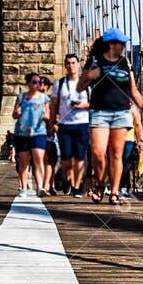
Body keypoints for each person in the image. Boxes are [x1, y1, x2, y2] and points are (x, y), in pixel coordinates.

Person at [78, 27, 143, 207]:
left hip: (121, 111)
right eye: (120, 43)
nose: (123, 46)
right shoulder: (94, 61)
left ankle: (113, 192)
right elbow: (80, 86)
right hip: (99, 111)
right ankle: (100, 183)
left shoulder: (125, 63)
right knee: (98, 152)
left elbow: (133, 90)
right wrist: (89, 76)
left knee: (116, 153)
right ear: (110, 44)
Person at [49, 53, 91, 195]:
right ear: (65, 65)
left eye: (73, 63)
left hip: (82, 124)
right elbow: (54, 105)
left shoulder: (87, 84)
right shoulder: (59, 84)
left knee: (79, 157)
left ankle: (76, 186)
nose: (71, 66)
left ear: (78, 64)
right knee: (66, 158)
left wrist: (85, 105)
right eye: (68, 63)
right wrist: (51, 123)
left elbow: (95, 104)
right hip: (65, 125)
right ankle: (67, 179)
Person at [11, 74, 50, 193]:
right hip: (22, 133)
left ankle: (40, 187)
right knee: (24, 162)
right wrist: (17, 112)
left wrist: (44, 115)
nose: (37, 84)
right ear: (28, 83)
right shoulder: (21, 97)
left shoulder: (44, 98)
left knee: (38, 159)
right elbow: (14, 115)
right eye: (34, 82)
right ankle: (23, 188)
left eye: (39, 82)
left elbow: (48, 115)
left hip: (39, 132)